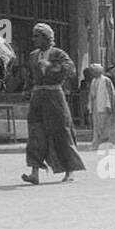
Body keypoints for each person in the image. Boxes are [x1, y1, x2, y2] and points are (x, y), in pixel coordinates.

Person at [22, 23, 85, 185]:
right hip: (37, 96)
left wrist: (51, 66)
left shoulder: (58, 53)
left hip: (54, 96)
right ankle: (34, 173)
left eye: (38, 36)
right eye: (33, 35)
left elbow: (70, 69)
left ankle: (70, 170)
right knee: (35, 133)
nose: (34, 39)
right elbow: (29, 75)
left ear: (47, 37)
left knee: (62, 132)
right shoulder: (33, 55)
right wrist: (27, 89)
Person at [88, 64, 115, 150]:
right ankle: (98, 143)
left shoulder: (106, 80)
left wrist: (108, 105)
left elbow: (109, 94)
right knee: (98, 126)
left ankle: (111, 143)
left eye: (93, 71)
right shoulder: (94, 81)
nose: (92, 73)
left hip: (105, 106)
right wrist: (90, 107)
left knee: (108, 126)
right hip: (96, 106)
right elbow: (91, 96)